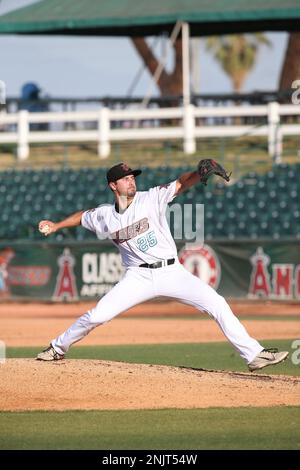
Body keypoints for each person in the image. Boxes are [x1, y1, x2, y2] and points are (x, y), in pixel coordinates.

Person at [36, 162, 288, 372]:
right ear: (113, 186)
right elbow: (82, 216)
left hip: (171, 272)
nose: (131, 181)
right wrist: (56, 225)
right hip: (138, 276)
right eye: (125, 179)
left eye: (132, 177)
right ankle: (57, 348)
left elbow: (180, 183)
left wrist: (198, 173)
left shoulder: (151, 198)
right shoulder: (104, 215)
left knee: (217, 303)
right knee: (97, 316)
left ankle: (254, 355)